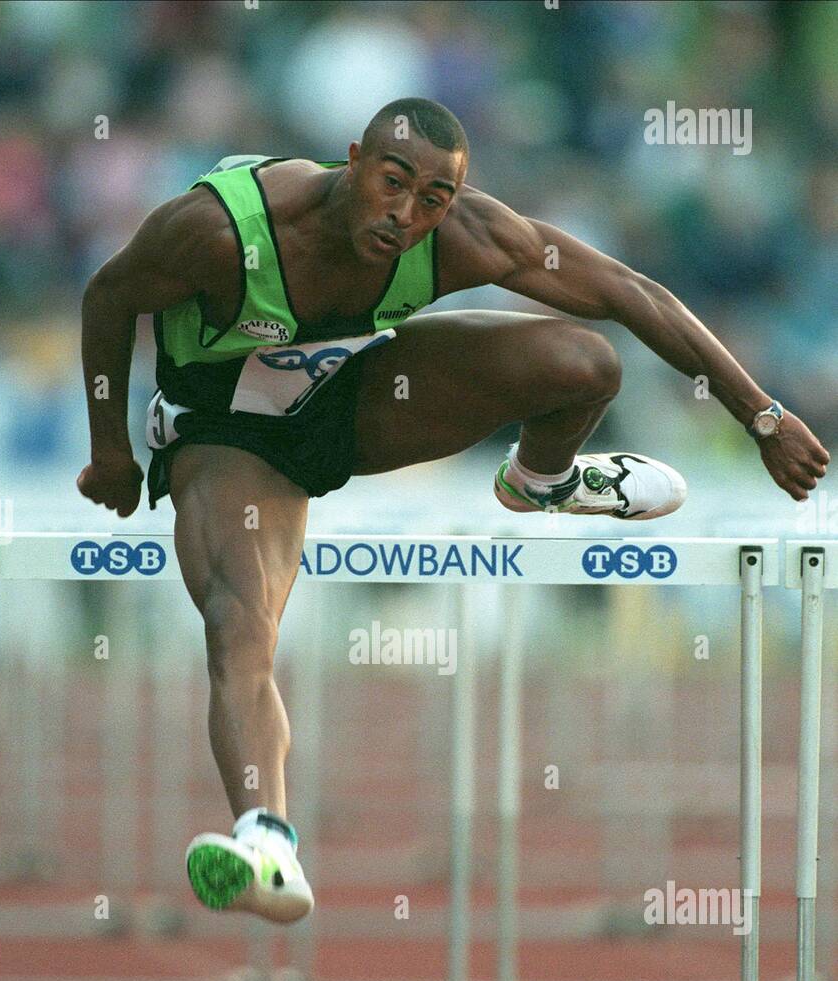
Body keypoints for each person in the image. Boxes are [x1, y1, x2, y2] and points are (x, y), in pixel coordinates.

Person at [77, 97, 830, 925]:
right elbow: (109, 298)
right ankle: (266, 839)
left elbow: (625, 288)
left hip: (353, 400)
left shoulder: (464, 233)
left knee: (582, 360)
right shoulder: (223, 231)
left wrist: (761, 415)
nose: (404, 216)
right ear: (354, 158)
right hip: (228, 434)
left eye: (431, 200)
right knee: (239, 618)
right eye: (391, 184)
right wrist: (111, 450)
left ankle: (541, 481)